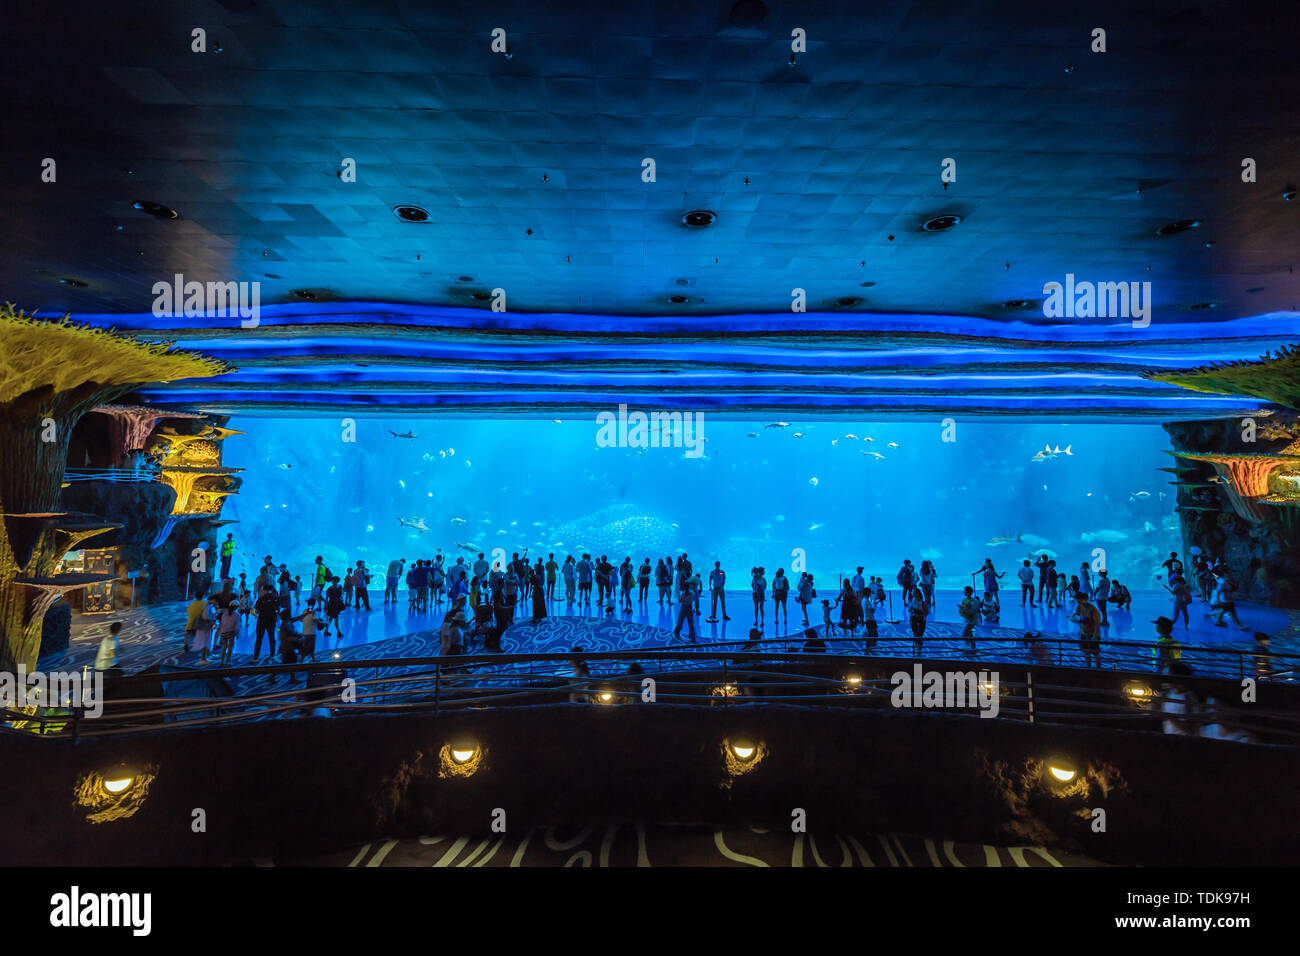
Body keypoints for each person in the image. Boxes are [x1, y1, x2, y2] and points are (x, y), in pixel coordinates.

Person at [1074, 593, 1102, 667]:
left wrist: (1095, 636)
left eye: (1080, 600)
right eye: (1077, 600)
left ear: (1085, 599)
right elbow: (1077, 616)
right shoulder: (1079, 606)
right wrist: (1080, 631)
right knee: (1086, 652)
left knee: (1095, 653)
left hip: (1092, 634)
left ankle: (1098, 668)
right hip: (1083, 633)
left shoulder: (1093, 609)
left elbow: (1097, 624)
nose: (1078, 602)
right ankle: (1088, 667)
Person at [253, 586, 280, 658]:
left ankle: (256, 656)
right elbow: (278, 609)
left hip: (262, 620)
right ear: (271, 590)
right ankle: (272, 654)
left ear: (264, 590)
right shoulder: (276, 598)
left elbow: (256, 610)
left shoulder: (261, 598)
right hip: (272, 620)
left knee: (259, 638)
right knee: (272, 637)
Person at [673, 575, 698, 642]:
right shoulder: (692, 593)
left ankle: (677, 633)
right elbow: (694, 600)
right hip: (690, 608)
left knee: (680, 621)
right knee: (691, 622)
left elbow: (680, 601)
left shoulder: (683, 593)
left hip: (684, 608)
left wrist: (680, 600)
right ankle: (692, 636)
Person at [214, 600, 239, 666]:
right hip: (231, 632)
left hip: (223, 632)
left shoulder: (224, 614)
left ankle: (222, 662)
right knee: (230, 647)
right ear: (236, 607)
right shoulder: (236, 615)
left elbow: (222, 623)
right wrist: (237, 634)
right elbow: (236, 626)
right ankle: (227, 662)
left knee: (224, 647)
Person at [908, 586, 928, 651]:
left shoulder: (923, 602)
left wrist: (920, 611)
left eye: (914, 592)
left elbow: (926, 612)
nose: (912, 593)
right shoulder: (912, 601)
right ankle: (916, 649)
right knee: (915, 632)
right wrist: (911, 609)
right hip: (913, 618)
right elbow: (909, 610)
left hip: (921, 619)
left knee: (920, 633)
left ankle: (919, 649)